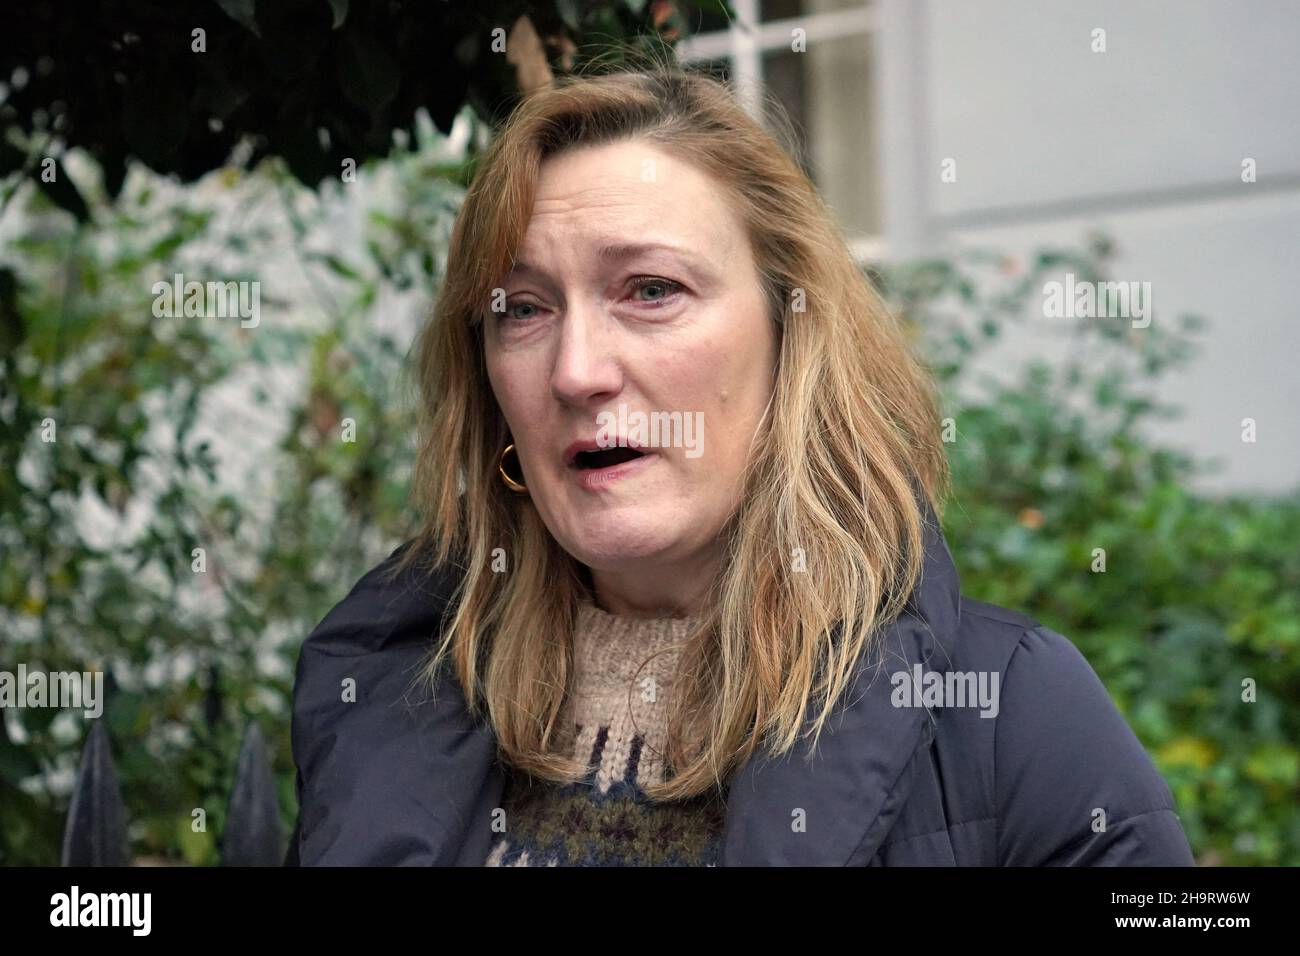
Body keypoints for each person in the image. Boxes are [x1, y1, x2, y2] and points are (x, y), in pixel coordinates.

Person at [286, 65, 1195, 866]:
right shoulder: (386, 694)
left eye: (651, 290)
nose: (575, 371)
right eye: (522, 309)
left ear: (790, 336)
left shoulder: (1011, 716)